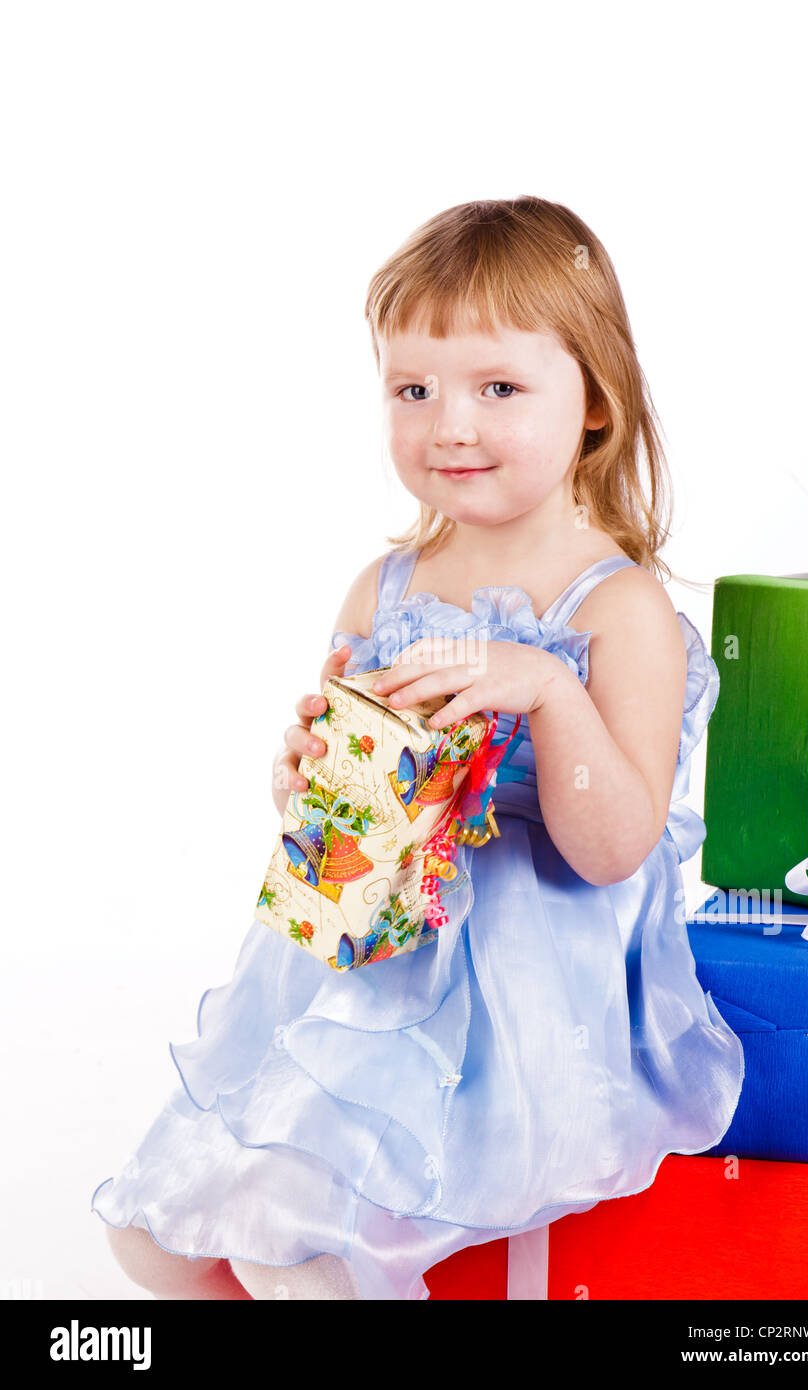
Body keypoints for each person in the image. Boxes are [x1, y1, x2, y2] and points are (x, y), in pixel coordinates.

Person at [91, 196, 744, 1301]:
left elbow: (615, 847)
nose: (449, 423)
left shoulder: (616, 606)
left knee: (287, 1248)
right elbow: (337, 813)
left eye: (497, 387)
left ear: (594, 401)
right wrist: (307, 775)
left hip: (525, 998)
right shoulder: (382, 588)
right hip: (362, 969)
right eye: (413, 389)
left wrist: (542, 689)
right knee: (152, 1240)